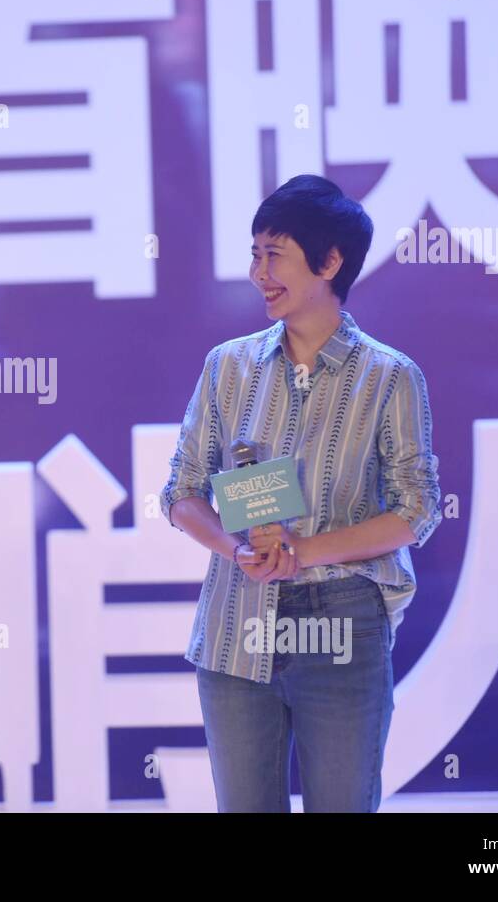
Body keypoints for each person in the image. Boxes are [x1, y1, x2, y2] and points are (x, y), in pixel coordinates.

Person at [161, 174, 441, 812]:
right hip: (238, 622)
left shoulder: (390, 376)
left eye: (274, 253)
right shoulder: (226, 366)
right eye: (254, 253)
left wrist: (305, 550)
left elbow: (416, 507)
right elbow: (181, 492)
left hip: (342, 620)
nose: (259, 271)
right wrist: (237, 551)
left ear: (331, 261)